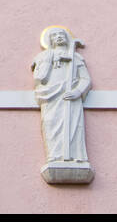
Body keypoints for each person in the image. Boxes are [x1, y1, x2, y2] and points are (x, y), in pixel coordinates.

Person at [31, 26, 91, 164]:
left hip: (71, 97)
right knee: (50, 123)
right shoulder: (43, 57)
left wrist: (78, 91)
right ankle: (54, 156)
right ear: (50, 40)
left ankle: (76, 156)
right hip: (50, 97)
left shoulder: (76, 57)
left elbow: (85, 79)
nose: (59, 36)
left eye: (61, 34)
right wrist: (51, 59)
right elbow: (39, 79)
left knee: (74, 127)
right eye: (54, 35)